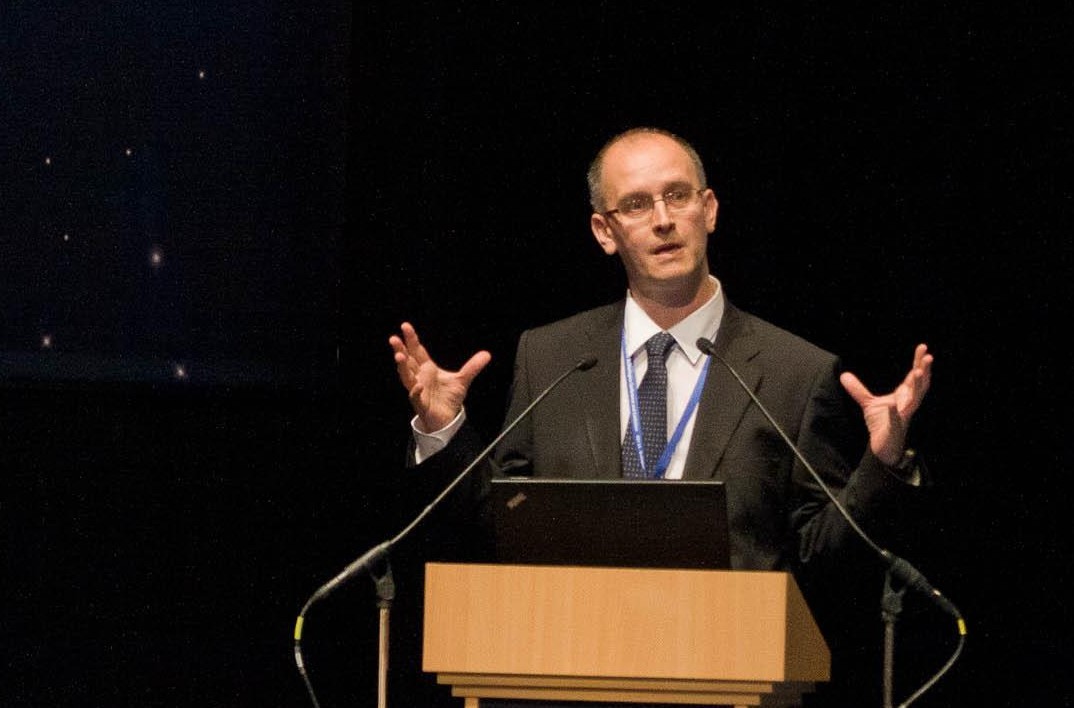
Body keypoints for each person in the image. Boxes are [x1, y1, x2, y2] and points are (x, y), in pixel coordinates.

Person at [388, 126, 934, 706]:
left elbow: (823, 560)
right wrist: (445, 432)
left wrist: (881, 463)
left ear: (709, 209)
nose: (663, 219)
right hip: (567, 676)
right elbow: (504, 525)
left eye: (678, 196)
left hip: (733, 682)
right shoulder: (551, 357)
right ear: (605, 231)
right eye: (636, 204)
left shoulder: (794, 371)